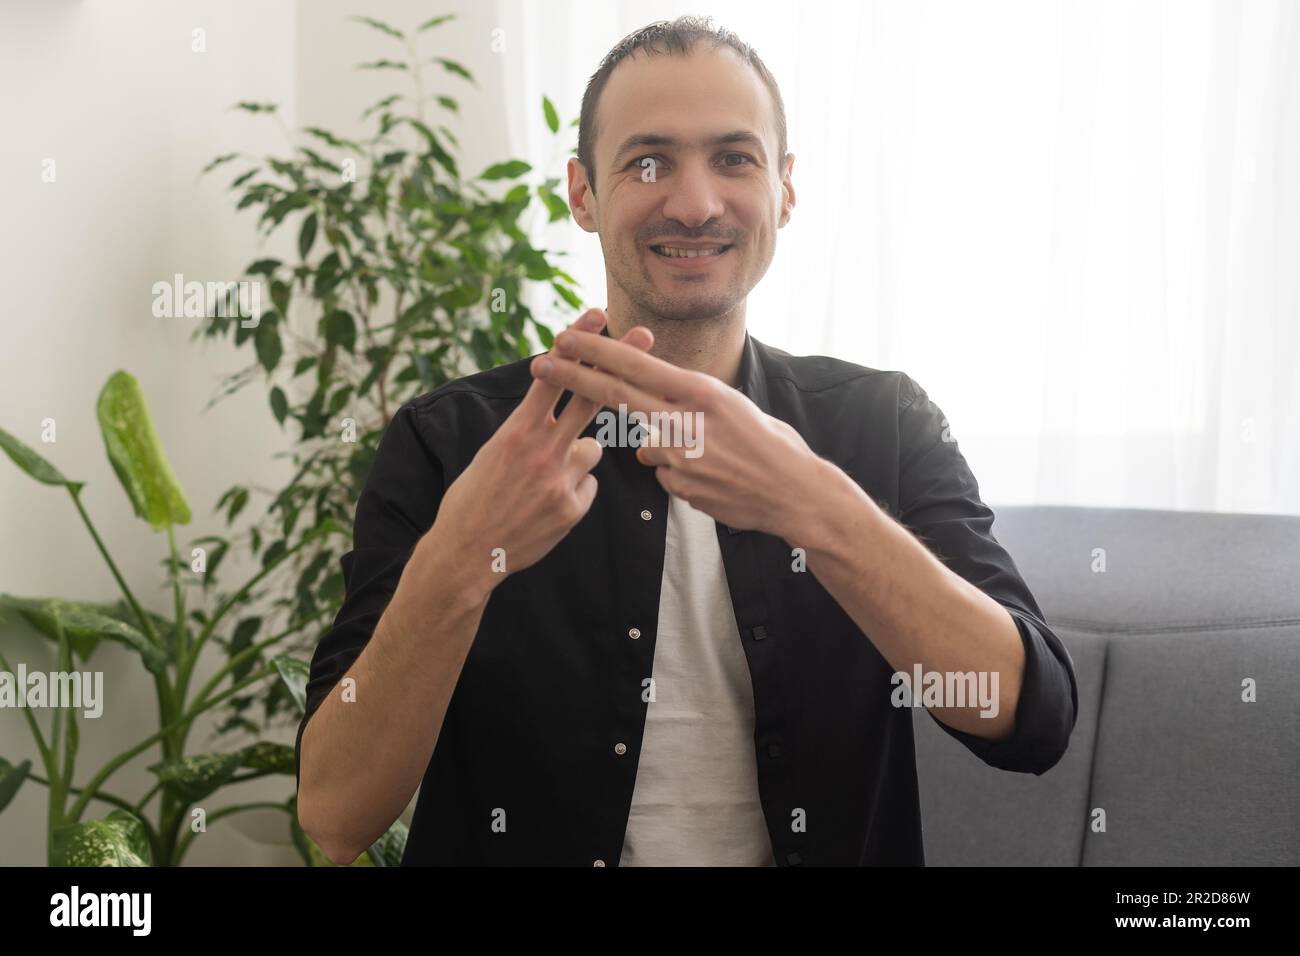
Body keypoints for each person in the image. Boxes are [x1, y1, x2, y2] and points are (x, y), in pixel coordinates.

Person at [295, 15, 1077, 867]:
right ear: (583, 194)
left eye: (734, 159)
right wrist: (462, 556)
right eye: (648, 162)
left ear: (784, 188)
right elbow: (337, 815)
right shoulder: (449, 441)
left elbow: (1027, 720)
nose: (696, 204)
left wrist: (809, 502)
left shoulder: (882, 423)